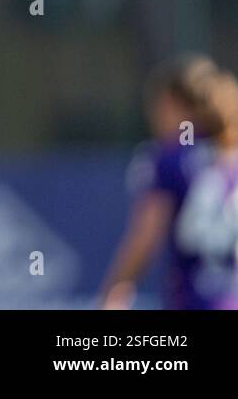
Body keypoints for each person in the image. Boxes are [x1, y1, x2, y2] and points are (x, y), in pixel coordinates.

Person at [98, 54, 238, 309]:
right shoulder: (231, 155)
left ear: (172, 103)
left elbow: (146, 235)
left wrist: (115, 290)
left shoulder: (170, 158)